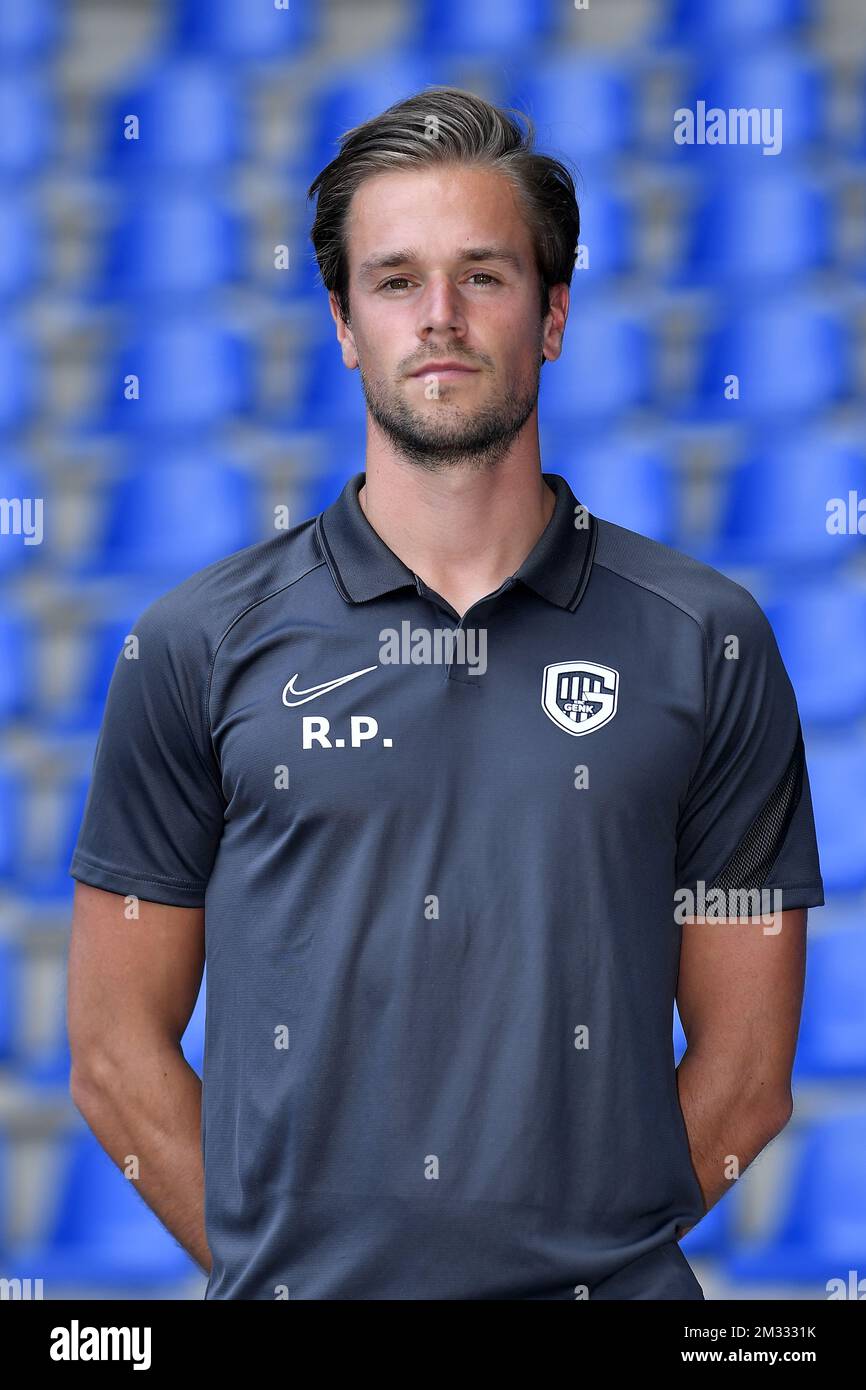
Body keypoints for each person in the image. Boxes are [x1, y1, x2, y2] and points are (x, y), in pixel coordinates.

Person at [67, 87, 824, 1300]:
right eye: (394, 280)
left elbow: (745, 1076)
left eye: (483, 276)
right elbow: (111, 1054)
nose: (439, 319)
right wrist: (296, 1282)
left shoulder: (707, 641)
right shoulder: (194, 646)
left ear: (554, 313)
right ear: (343, 323)